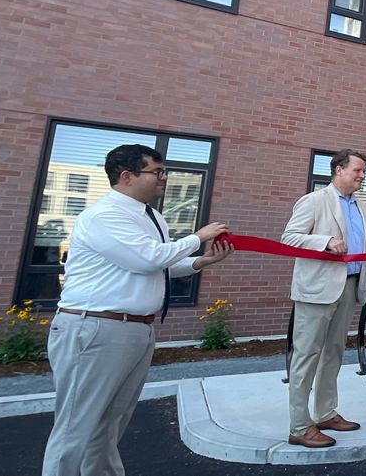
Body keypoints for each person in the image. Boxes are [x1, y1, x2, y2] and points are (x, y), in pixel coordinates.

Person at [43, 144, 232, 476]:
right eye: (156, 172)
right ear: (126, 176)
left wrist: (200, 261)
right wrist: (196, 237)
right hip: (96, 330)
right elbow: (147, 259)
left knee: (109, 423)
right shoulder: (104, 215)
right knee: (76, 427)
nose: (164, 178)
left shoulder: (151, 217)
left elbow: (158, 262)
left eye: (164, 171)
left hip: (134, 330)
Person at [282, 149, 366, 448]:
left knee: (333, 354)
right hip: (317, 290)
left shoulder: (363, 208)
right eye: (357, 170)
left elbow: (365, 248)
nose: (362, 175)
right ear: (338, 170)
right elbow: (289, 237)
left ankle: (325, 413)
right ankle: (299, 425)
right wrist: (325, 242)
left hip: (350, 286)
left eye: (363, 171)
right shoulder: (315, 200)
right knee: (306, 355)